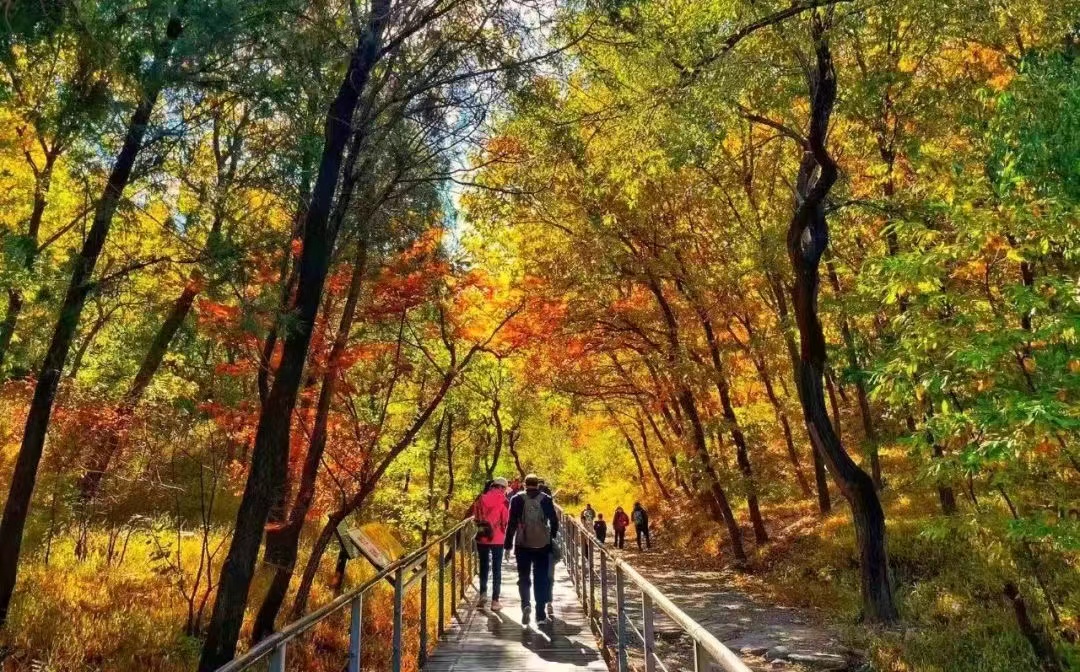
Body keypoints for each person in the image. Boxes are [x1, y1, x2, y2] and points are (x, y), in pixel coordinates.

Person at [504, 474, 559, 625]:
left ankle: (525, 605)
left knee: (524, 577)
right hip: (542, 544)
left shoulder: (516, 499)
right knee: (541, 578)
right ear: (538, 484)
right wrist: (551, 536)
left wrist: (507, 545)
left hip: (522, 544)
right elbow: (554, 521)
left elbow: (511, 524)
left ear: (524, 484)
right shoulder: (546, 499)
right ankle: (540, 615)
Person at [474, 477, 510, 610]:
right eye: (505, 488)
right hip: (498, 538)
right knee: (496, 569)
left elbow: (476, 517)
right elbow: (505, 520)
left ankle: (483, 594)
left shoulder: (480, 498)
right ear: (501, 488)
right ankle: (495, 601)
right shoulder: (504, 501)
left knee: (483, 566)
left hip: (482, 536)